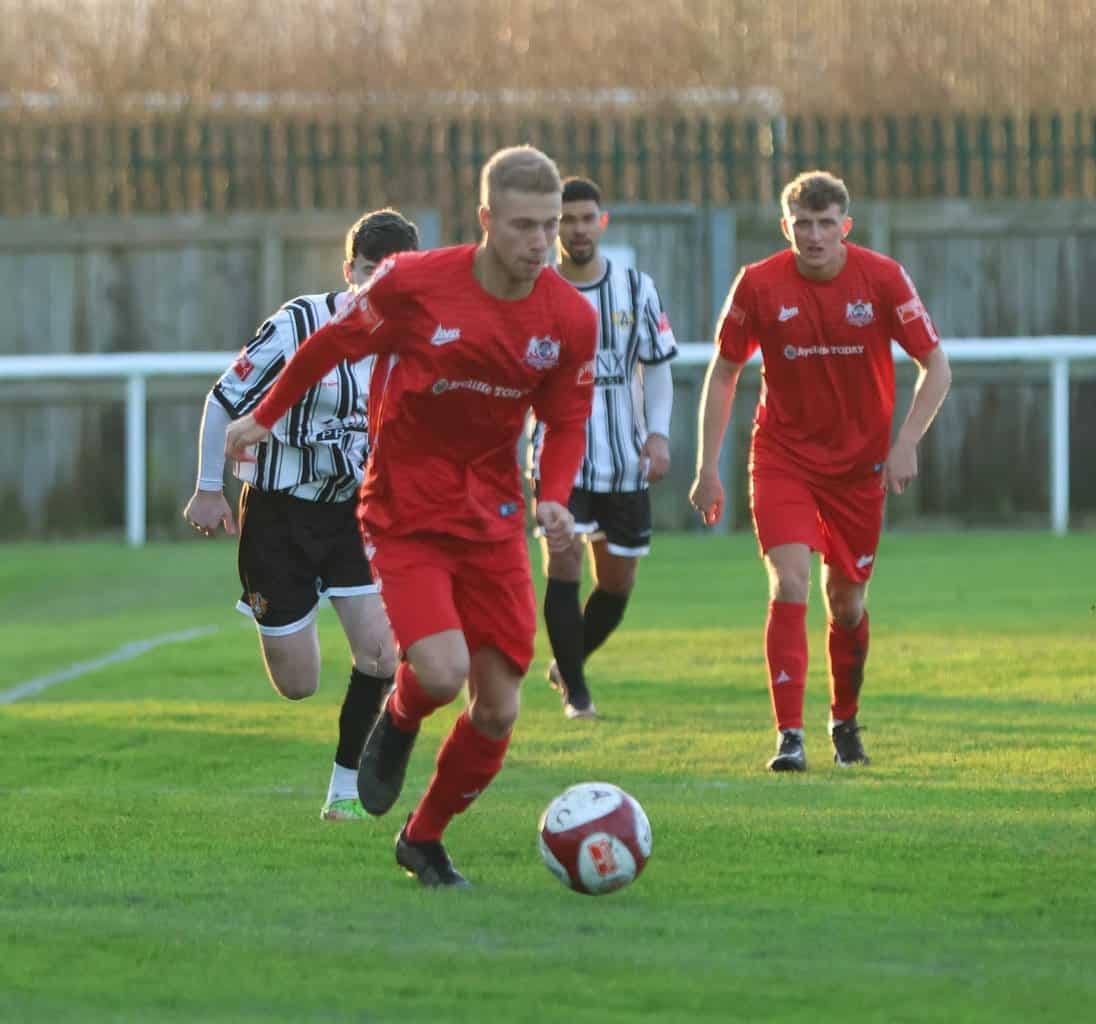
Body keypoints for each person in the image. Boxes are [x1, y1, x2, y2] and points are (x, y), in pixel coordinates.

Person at [225, 145, 597, 887]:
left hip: (490, 516)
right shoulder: (417, 285)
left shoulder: (569, 317)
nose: (538, 243)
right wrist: (263, 417)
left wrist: (553, 493)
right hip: (404, 507)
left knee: (498, 709)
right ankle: (398, 717)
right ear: (486, 219)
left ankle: (422, 839)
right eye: (523, 225)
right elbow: (331, 341)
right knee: (442, 666)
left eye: (550, 226)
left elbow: (567, 421)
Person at [689, 170, 952, 772]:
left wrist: (907, 440)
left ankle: (844, 720)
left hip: (859, 468)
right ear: (785, 227)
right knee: (790, 582)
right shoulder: (757, 284)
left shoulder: (882, 278)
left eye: (825, 224)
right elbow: (725, 371)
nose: (813, 235)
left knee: (847, 604)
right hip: (782, 456)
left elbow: (935, 366)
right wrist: (708, 467)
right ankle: (789, 736)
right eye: (802, 224)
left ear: (845, 227)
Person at [184, 208, 418, 822]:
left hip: (353, 515)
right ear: (349, 270)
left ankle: (346, 789)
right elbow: (224, 398)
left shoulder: (420, 337)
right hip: (278, 517)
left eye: (394, 274)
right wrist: (208, 488)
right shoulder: (300, 324)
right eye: (369, 272)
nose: (378, 287)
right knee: (299, 683)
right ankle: (289, 615)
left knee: (381, 655)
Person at [529, 176, 678, 719]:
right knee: (563, 562)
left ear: (602, 222)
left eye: (586, 218)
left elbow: (657, 366)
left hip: (624, 457)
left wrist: (657, 433)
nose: (577, 229)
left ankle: (566, 662)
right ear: (552, 229)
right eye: (566, 220)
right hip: (557, 454)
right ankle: (578, 694)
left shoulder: (636, 288)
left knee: (617, 581)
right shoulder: (536, 289)